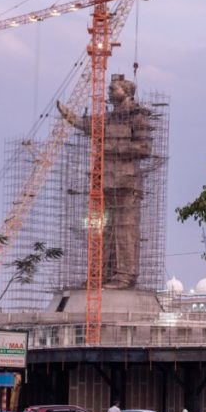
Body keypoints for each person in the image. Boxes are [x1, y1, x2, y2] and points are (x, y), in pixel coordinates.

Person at [58, 74, 155, 288]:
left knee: (125, 229)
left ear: (126, 92)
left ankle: (125, 275)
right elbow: (87, 125)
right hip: (106, 182)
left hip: (127, 183)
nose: (109, 92)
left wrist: (113, 147)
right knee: (104, 230)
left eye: (113, 89)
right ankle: (101, 274)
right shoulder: (110, 118)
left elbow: (144, 148)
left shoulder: (137, 117)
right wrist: (69, 116)